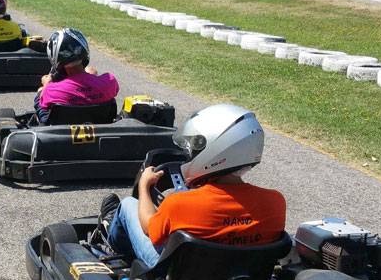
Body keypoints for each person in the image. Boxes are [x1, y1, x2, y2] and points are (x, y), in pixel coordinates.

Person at [98, 104, 287, 269]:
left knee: (129, 205)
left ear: (214, 153)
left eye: (195, 148)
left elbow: (149, 229)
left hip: (177, 273)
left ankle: (113, 245)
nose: (190, 154)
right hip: (245, 271)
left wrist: (144, 187)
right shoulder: (275, 202)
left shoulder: (179, 203)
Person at [34, 28, 119, 124]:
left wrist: (46, 84)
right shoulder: (109, 81)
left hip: (63, 130)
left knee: (40, 93)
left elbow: (43, 101)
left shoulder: (51, 90)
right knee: (92, 71)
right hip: (101, 123)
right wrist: (92, 79)